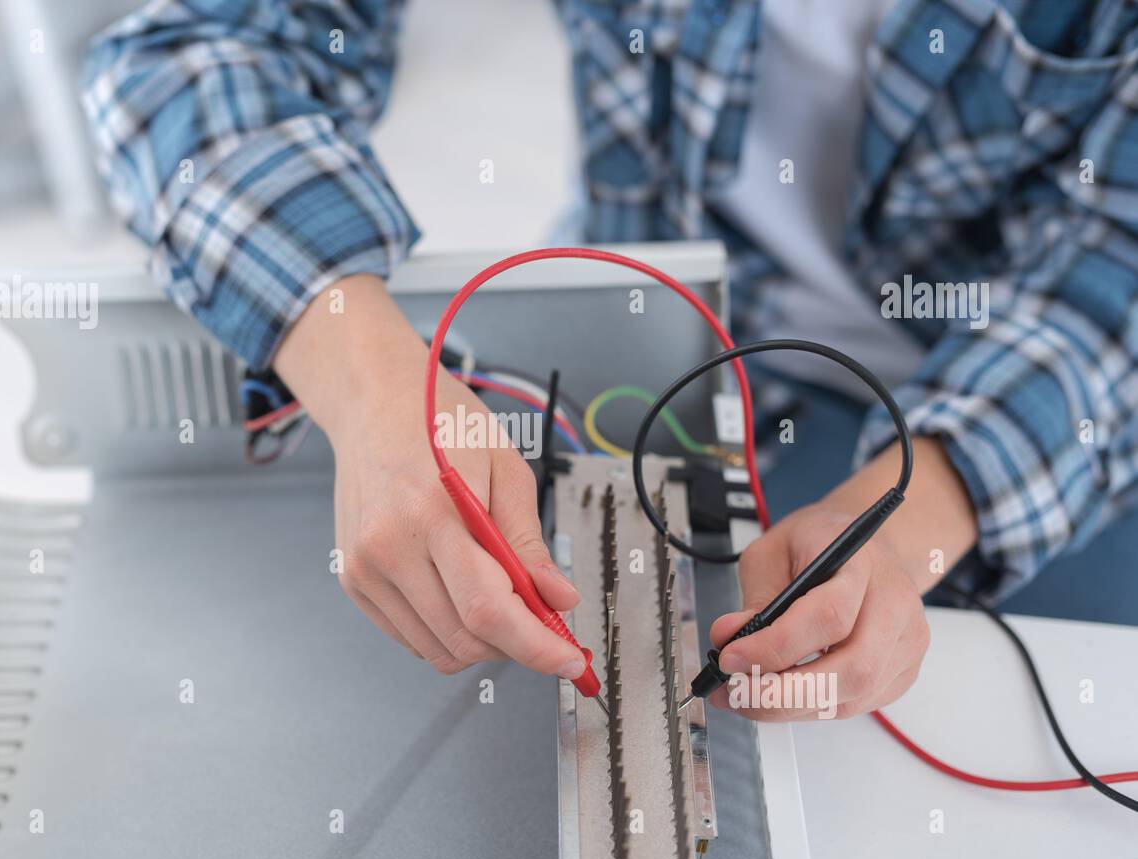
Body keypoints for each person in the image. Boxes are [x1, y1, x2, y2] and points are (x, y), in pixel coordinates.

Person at [81, 0, 1138, 720]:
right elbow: (191, 48)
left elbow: (1117, 268)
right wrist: (364, 382)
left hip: (1023, 401)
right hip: (650, 331)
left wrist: (906, 535)